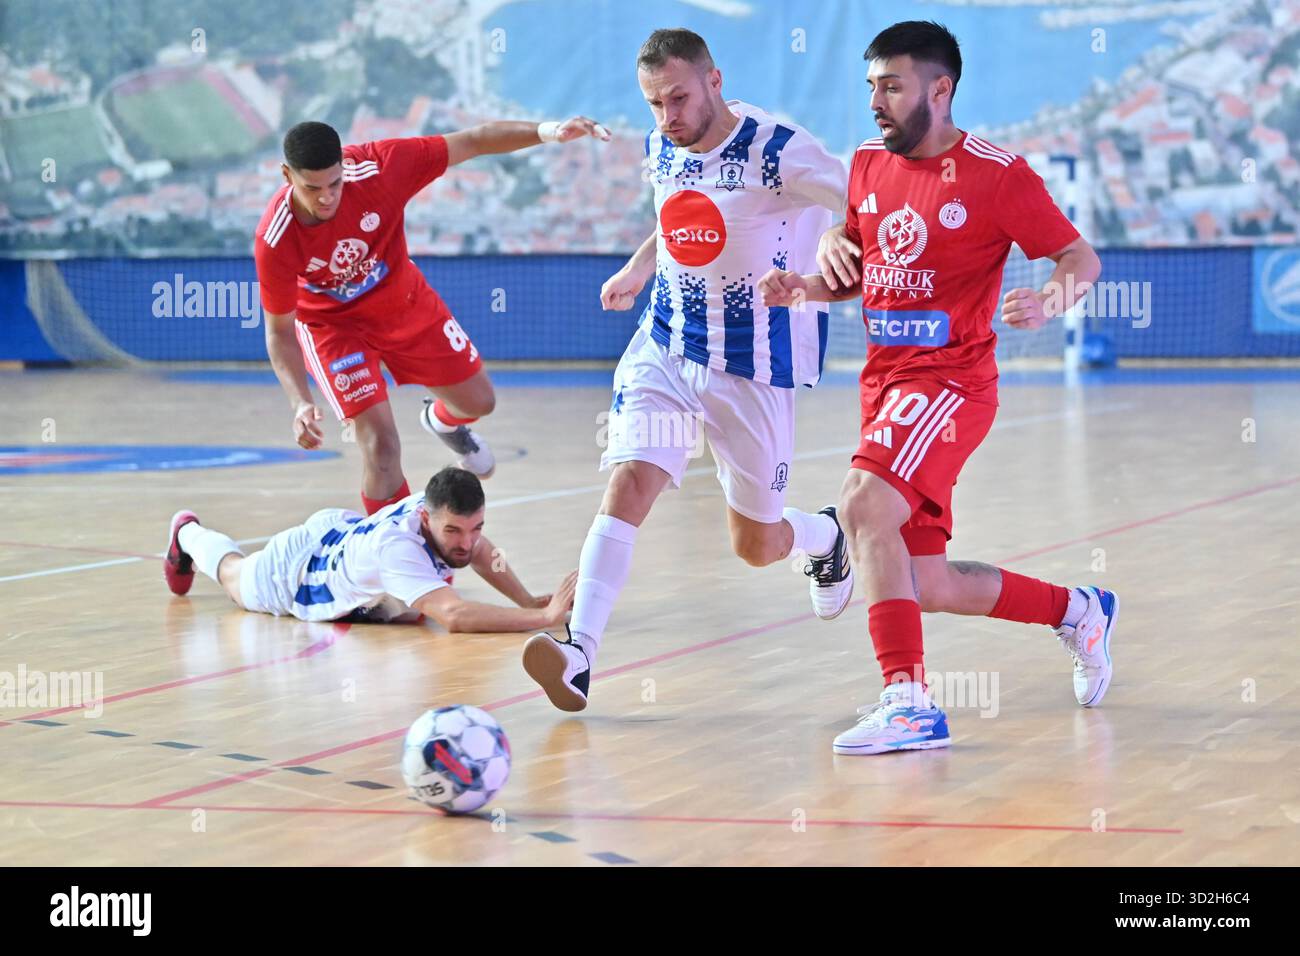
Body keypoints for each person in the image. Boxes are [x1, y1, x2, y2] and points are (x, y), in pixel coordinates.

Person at [758, 20, 1114, 755]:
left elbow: (1079, 257)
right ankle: (1079, 610)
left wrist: (1049, 300)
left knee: (861, 508)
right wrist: (806, 286)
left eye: (891, 86)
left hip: (951, 382)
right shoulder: (863, 164)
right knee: (925, 584)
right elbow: (856, 274)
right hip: (885, 384)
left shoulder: (996, 173)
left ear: (940, 89)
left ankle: (910, 703)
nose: (876, 102)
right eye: (871, 88)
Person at [522, 28, 853, 713]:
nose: (667, 116)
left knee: (757, 545)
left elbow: (859, 199)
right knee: (628, 485)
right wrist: (638, 268)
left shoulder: (777, 148)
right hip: (667, 345)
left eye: (678, 97)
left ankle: (826, 536)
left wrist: (837, 242)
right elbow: (676, 216)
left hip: (753, 365)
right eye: (653, 103)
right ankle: (580, 653)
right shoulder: (662, 146)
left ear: (714, 81)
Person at [254, 116, 610, 514]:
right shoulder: (276, 238)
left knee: (479, 401)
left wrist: (547, 132)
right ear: (287, 176)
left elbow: (473, 139)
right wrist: (300, 402)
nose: (326, 198)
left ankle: (442, 421)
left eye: (334, 183)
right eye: (311, 188)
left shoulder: (382, 168)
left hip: (404, 303)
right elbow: (279, 331)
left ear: (344, 167)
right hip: (334, 330)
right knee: (382, 448)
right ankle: (401, 564)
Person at [162, 466, 576, 633]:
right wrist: (541, 616)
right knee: (233, 574)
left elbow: (482, 551)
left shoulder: (440, 512)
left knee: (409, 607)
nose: (465, 541)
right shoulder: (399, 547)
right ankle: (188, 534)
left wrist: (524, 598)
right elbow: (455, 616)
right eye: (454, 531)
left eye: (476, 527)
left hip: (344, 534)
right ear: (428, 519)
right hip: (300, 571)